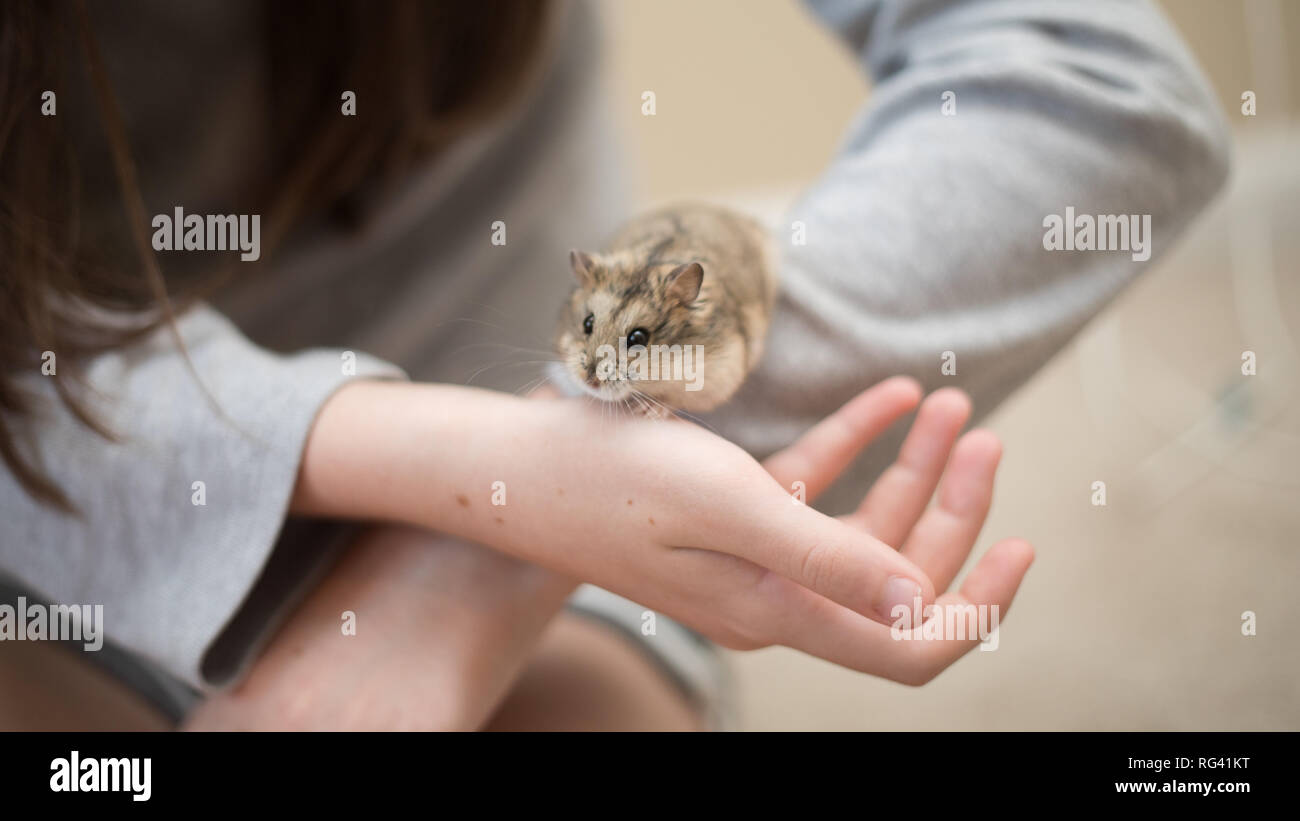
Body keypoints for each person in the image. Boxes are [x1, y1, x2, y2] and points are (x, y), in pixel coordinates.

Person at [0, 0, 1228, 730]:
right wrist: (471, 482)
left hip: (564, 501)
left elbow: (1107, 82)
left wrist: (502, 547)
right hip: (47, 510)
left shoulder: (663, 327)